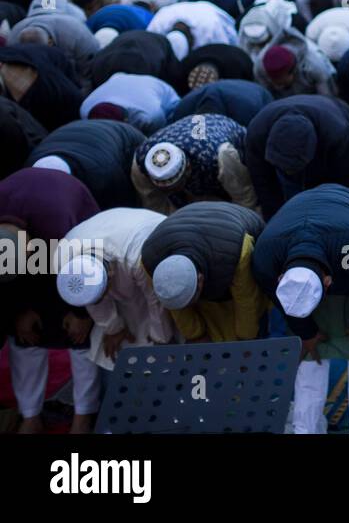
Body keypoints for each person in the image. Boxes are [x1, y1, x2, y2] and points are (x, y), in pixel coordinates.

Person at [252, 184, 349, 435]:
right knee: (310, 353)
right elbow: (285, 305)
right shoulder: (264, 259)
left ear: (328, 283)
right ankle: (304, 428)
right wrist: (305, 333)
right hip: (306, 220)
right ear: (280, 276)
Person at [0, 168, 100, 432]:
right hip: (37, 247)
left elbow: (85, 269)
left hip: (75, 251)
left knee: (80, 338)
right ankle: (30, 414)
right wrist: (20, 311)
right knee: (22, 336)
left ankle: (84, 414)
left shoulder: (57, 223)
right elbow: (7, 282)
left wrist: (81, 313)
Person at [55, 208, 176, 373]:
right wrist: (112, 327)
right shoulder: (63, 260)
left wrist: (161, 337)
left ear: (110, 275)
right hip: (114, 234)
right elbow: (91, 299)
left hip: (151, 240)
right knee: (118, 345)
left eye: (103, 294)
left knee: (165, 345)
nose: (102, 298)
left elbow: (156, 298)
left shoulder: (138, 258)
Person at [140, 201, 268, 343]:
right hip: (197, 233)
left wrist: (246, 341)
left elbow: (246, 299)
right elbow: (177, 308)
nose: (187, 307)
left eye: (189, 300)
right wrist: (196, 335)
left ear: (200, 280)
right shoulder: (150, 261)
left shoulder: (236, 253)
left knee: (244, 323)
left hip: (237, 233)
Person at [244, 94, 349, 218]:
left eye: (292, 169)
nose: (289, 172)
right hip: (310, 114)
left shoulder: (338, 133)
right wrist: (275, 220)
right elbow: (263, 185)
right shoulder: (256, 134)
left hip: (335, 110)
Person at [131, 113, 256, 212]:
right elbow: (155, 206)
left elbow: (244, 198)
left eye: (174, 187)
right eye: (165, 190)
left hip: (222, 132)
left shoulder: (221, 156)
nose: (170, 192)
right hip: (194, 132)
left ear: (187, 170)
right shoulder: (141, 161)